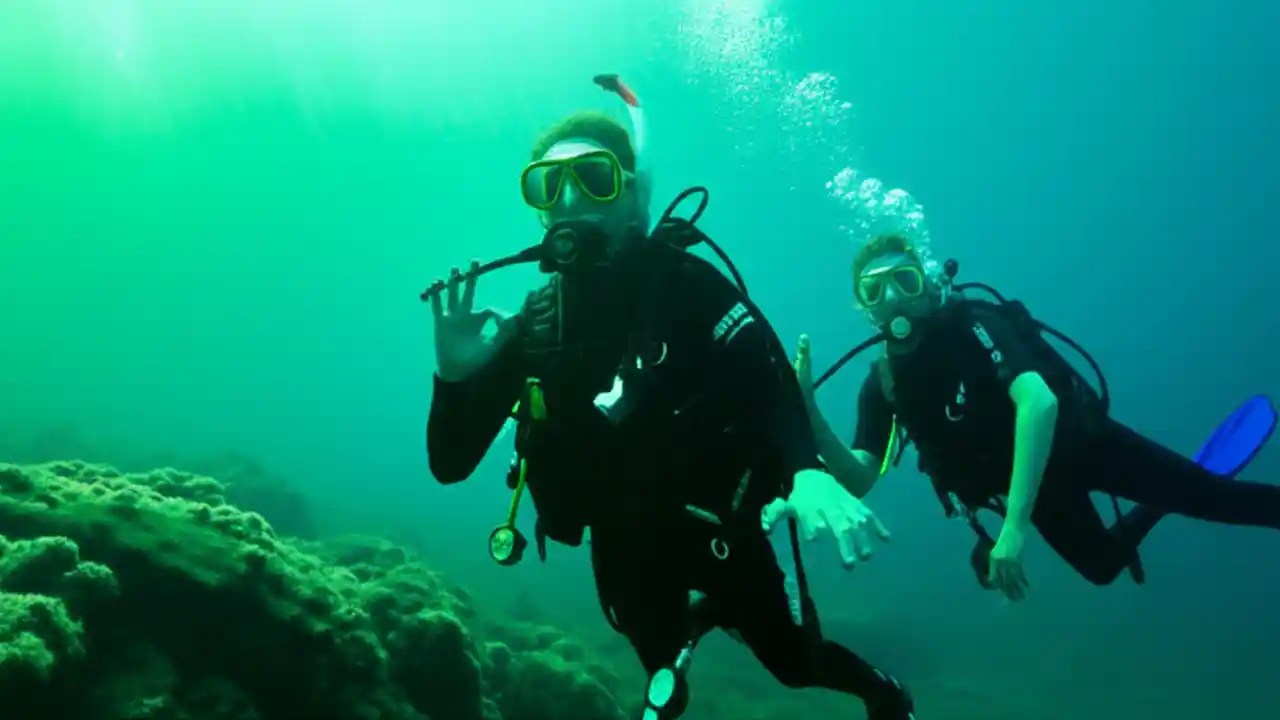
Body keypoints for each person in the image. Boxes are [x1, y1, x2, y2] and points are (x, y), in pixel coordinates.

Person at [423, 76, 916, 719]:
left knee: (796, 666)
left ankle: (885, 692)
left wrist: (804, 472)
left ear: (633, 194)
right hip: (623, 541)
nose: (569, 199)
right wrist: (453, 378)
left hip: (724, 526)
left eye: (593, 178)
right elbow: (449, 464)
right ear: (539, 209)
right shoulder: (537, 327)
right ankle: (697, 624)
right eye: (548, 184)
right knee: (660, 670)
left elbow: (768, 378)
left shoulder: (687, 286)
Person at [796, 231, 1279, 602]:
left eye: (905, 280)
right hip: (1038, 488)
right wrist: (810, 413)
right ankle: (1162, 500)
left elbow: (1039, 402)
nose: (893, 298)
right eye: (874, 290)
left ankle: (1184, 490)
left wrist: (1013, 528)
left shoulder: (973, 324)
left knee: (1214, 501)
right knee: (1102, 568)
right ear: (864, 308)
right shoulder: (882, 383)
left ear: (925, 284)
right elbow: (859, 477)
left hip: (1080, 444)